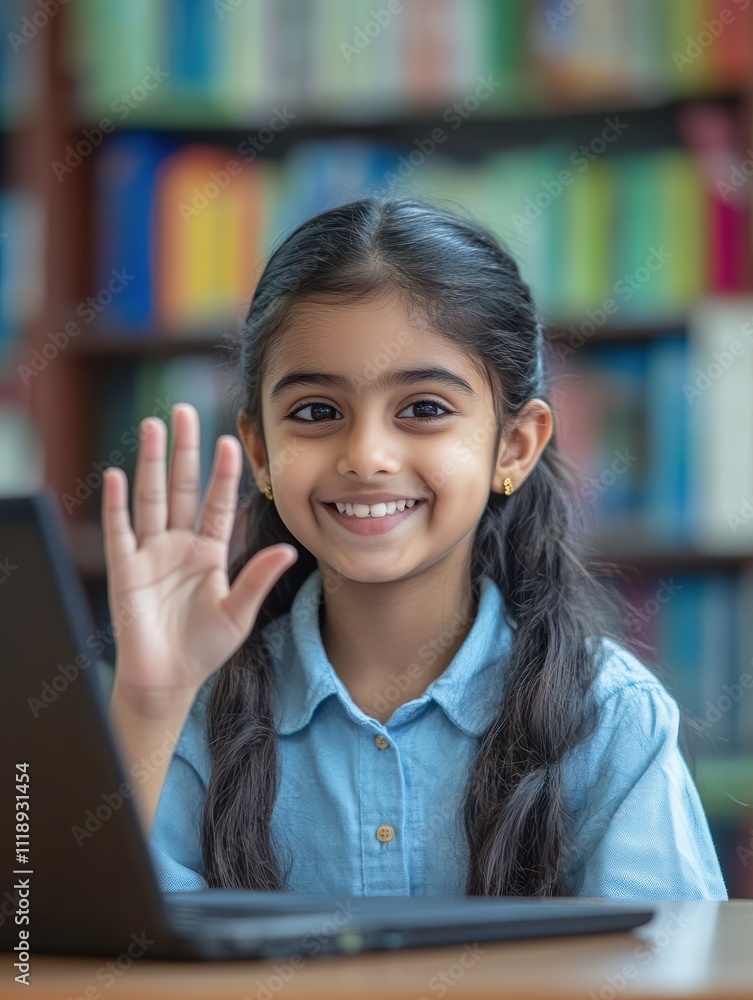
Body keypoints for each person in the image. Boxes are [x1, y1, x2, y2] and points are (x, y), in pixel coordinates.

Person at [103, 195, 728, 900]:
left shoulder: (609, 716)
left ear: (513, 447)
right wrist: (147, 705)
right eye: (316, 413)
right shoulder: (185, 706)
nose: (366, 455)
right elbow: (50, 953)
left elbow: (666, 969)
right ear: (260, 450)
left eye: (424, 409)